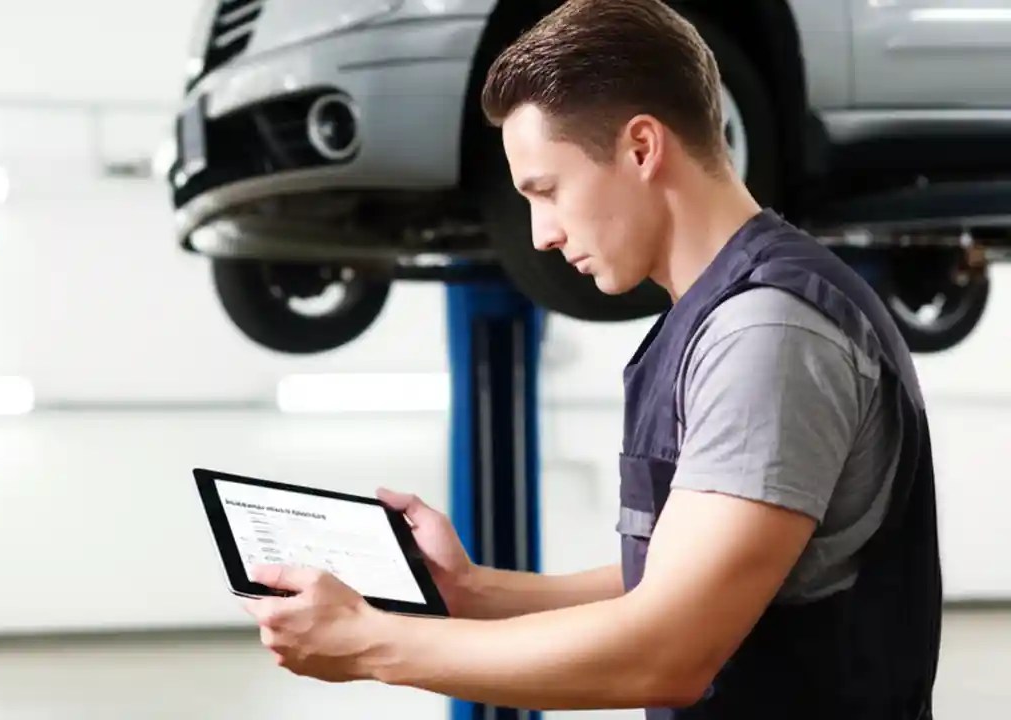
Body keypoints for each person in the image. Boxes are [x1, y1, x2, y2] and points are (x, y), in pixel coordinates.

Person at [241, 0, 943, 717]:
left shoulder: (767, 333)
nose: (540, 234)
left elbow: (668, 649)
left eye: (546, 191)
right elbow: (676, 579)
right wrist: (472, 592)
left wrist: (371, 645)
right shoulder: (719, 317)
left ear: (641, 148)